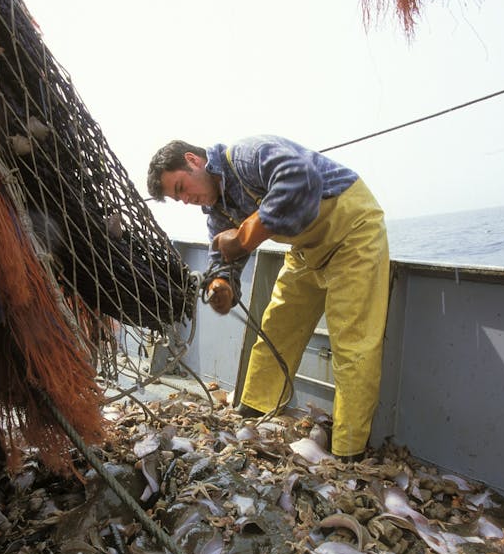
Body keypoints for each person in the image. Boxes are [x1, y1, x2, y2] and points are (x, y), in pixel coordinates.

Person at [147, 135, 390, 461]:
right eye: (178, 199)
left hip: (353, 228)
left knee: (353, 344)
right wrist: (221, 286)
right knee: (276, 325)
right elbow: (222, 256)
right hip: (307, 248)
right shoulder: (217, 210)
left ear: (193, 161)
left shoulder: (247, 156)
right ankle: (253, 416)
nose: (186, 199)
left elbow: (300, 179)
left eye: (180, 188)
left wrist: (245, 237)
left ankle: (348, 451)